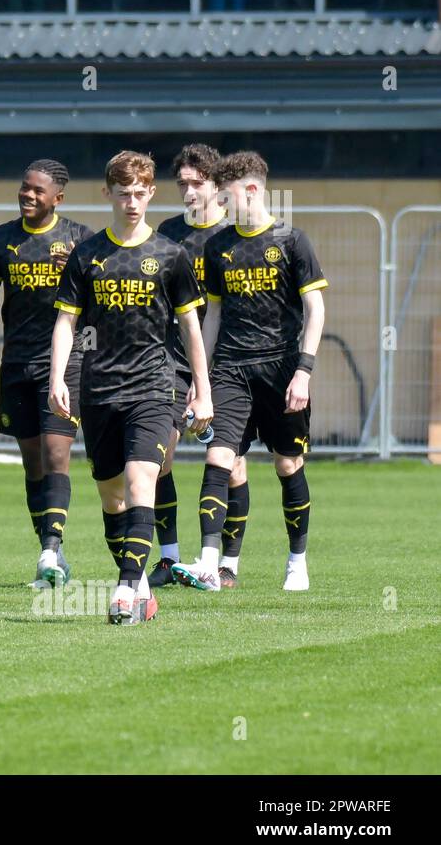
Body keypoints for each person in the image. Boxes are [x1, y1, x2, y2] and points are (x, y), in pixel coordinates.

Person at [49, 151, 212, 625]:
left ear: (151, 194)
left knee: (143, 480)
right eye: (124, 194)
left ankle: (123, 591)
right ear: (108, 194)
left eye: (141, 194)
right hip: (99, 389)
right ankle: (139, 583)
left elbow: (192, 330)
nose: (133, 202)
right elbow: (65, 321)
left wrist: (202, 390)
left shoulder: (170, 255)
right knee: (111, 495)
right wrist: (58, 376)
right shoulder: (87, 254)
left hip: (153, 386)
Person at [171, 151, 327, 593]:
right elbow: (213, 317)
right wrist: (203, 381)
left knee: (287, 463)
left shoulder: (293, 241)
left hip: (281, 371)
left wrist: (304, 371)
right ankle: (208, 562)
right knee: (219, 456)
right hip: (232, 371)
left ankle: (297, 561)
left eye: (227, 195)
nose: (220, 202)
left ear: (252, 191)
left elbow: (315, 310)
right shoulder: (219, 247)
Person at [0, 160, 91, 587]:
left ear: (58, 198)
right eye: (24, 187)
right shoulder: (0, 240)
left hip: (64, 364)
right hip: (16, 364)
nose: (28, 196)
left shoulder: (79, 240)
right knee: (33, 462)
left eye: (38, 191)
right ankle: (52, 553)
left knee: (57, 453)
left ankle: (49, 550)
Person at [151, 144, 249, 587]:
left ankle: (227, 564)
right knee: (160, 455)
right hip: (172, 358)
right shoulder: (167, 233)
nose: (189, 192)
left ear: (216, 186)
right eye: (183, 184)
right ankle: (169, 558)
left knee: (231, 462)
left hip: (225, 357)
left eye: (197, 183)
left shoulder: (232, 236)